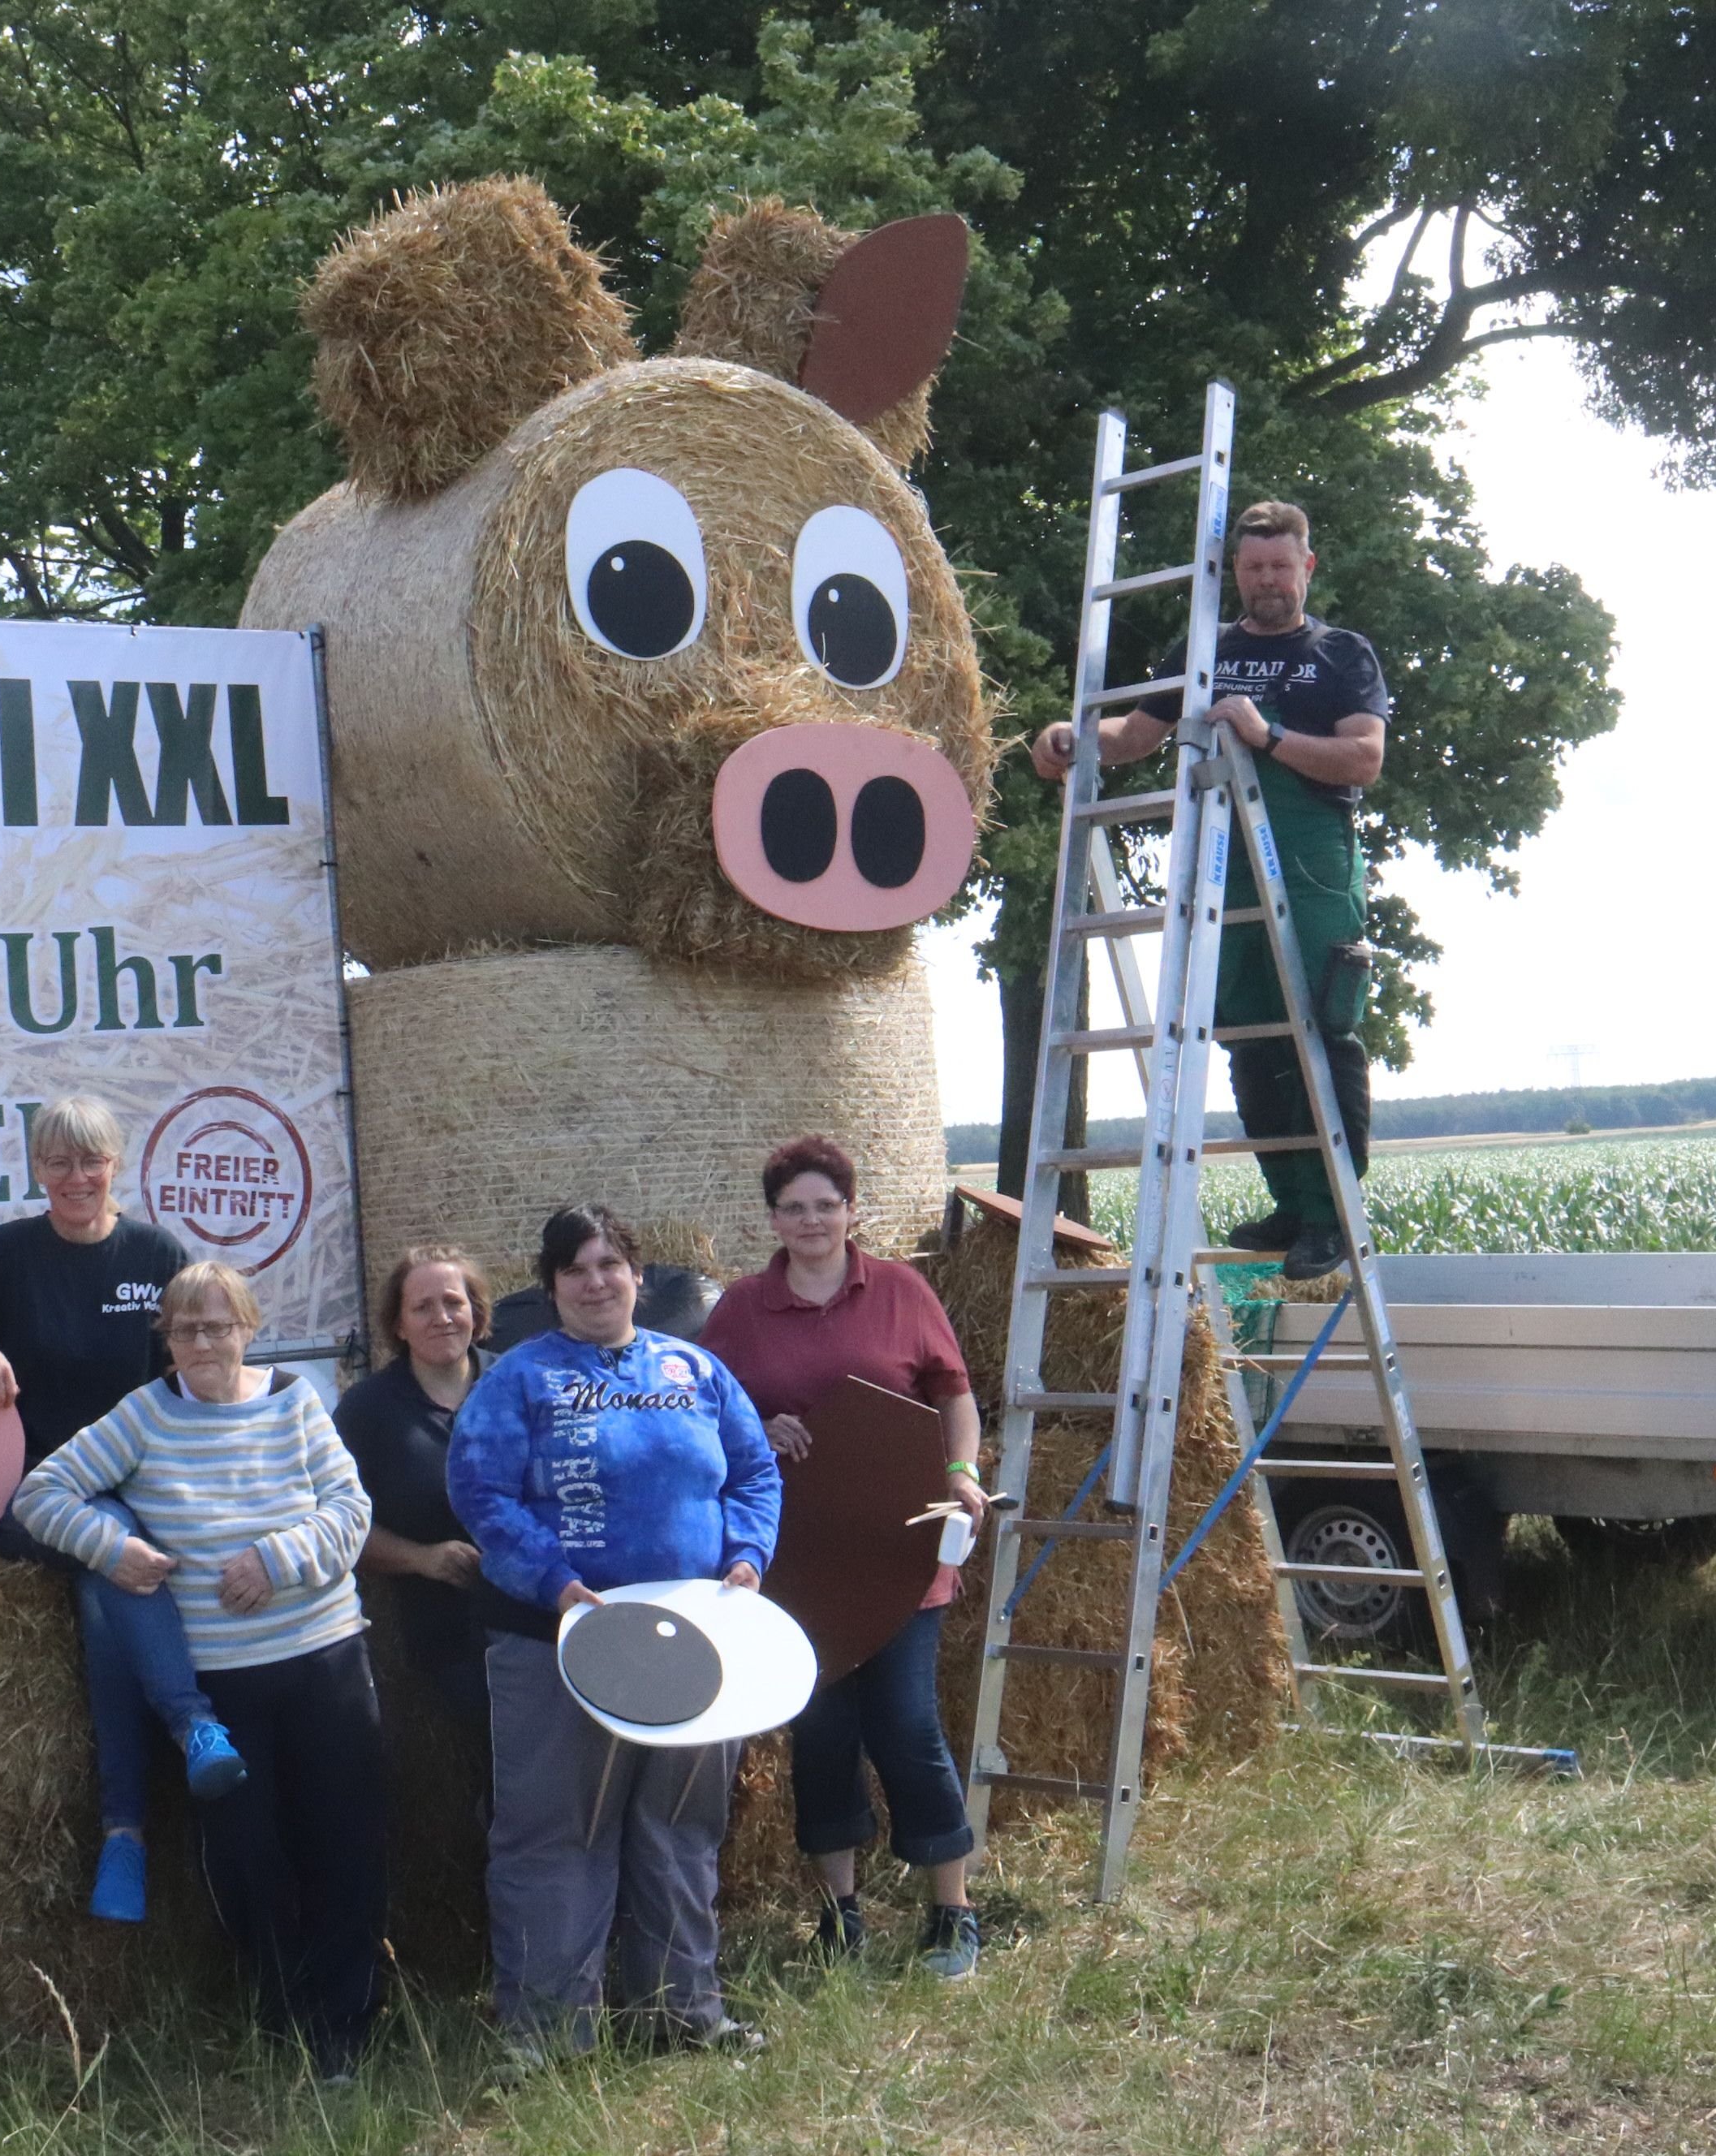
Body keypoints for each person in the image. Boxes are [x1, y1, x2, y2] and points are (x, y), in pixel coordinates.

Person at [0, 1095, 232, 1924]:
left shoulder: (156, 1253)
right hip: (21, 1496)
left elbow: (186, 1374)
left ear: (116, 1164)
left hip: (127, 1496)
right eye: (58, 1162)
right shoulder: (1, 1256)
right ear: (37, 1169)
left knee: (110, 1592)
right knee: (115, 1558)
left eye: (90, 1160)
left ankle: (124, 1834)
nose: (75, 1177)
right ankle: (191, 1725)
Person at [11, 1261, 386, 2077]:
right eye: (185, 1330)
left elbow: (352, 1512)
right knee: (249, 1854)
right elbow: (41, 1493)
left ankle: (345, 2022)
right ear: (168, 1341)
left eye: (218, 1325)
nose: (203, 1342)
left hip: (325, 1654)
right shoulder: (146, 1415)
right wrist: (112, 1548)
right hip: (220, 1682)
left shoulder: (296, 1402)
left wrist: (277, 1557)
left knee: (344, 1839)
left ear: (249, 1326)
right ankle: (284, 2017)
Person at [445, 1205, 782, 2059]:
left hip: (694, 1639)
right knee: (559, 1832)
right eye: (575, 1269)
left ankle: (683, 2014)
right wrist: (555, 1582)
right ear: (551, 1285)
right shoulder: (519, 1380)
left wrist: (746, 1556)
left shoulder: (696, 1369)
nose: (596, 1281)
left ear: (638, 1275)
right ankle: (551, 2038)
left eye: (610, 1264)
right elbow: (483, 1496)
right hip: (559, 1639)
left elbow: (753, 1470)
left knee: (681, 1828)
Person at [1031, 498, 1390, 1280]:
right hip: (1219, 854)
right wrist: (1070, 740)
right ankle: (1292, 1203)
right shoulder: (1202, 650)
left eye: (1281, 565)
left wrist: (1270, 737)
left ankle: (1336, 1212)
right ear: (1236, 571)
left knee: (1320, 1025)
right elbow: (1133, 735)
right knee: (1247, 1031)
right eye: (1254, 566)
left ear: (1307, 566)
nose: (1268, 580)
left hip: (1307, 849)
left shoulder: (1340, 655)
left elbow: (1364, 759)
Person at [696, 1136, 990, 1980]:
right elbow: (706, 1411)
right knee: (820, 1730)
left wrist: (962, 1470)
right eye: (795, 1207)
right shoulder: (743, 1309)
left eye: (827, 1204)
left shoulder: (900, 1289)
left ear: (851, 1210)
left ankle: (953, 1911)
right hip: (798, 1561)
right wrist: (755, 1423)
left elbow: (954, 1393)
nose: (812, 1220)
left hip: (900, 1551)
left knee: (905, 1723)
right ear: (773, 1219)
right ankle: (839, 1913)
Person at [334, 1244, 495, 1737]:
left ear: (477, 1312)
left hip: (541, 1613)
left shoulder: (519, 1385)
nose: (442, 1317)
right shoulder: (366, 1412)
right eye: (422, 1307)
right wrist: (421, 1558)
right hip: (448, 1632)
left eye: (454, 1302)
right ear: (399, 1325)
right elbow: (337, 1524)